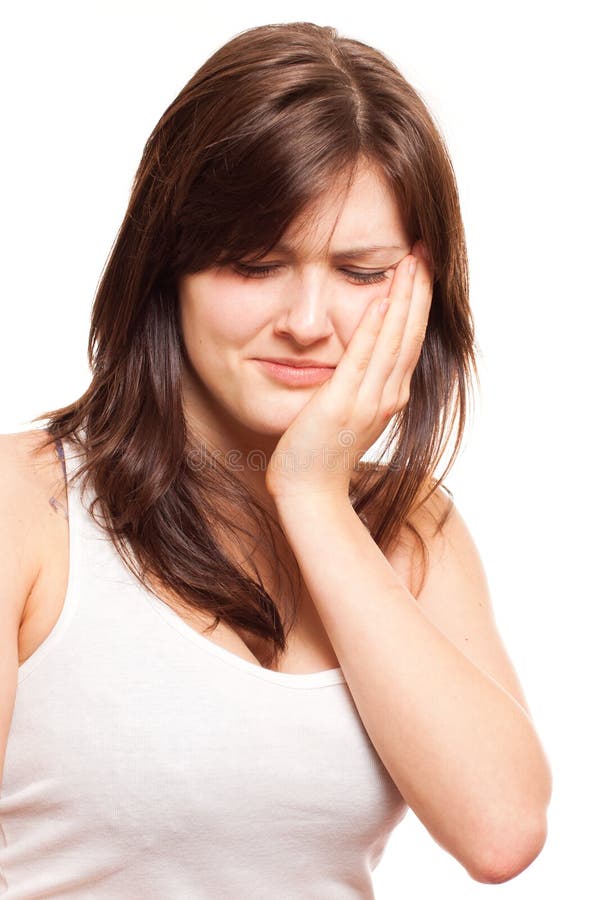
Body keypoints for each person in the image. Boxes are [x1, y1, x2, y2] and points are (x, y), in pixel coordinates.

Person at [0, 21, 552, 897]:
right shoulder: (22, 505)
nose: (306, 319)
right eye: (255, 264)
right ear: (165, 269)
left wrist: (313, 495)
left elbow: (501, 831)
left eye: (361, 272)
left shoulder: (416, 531)